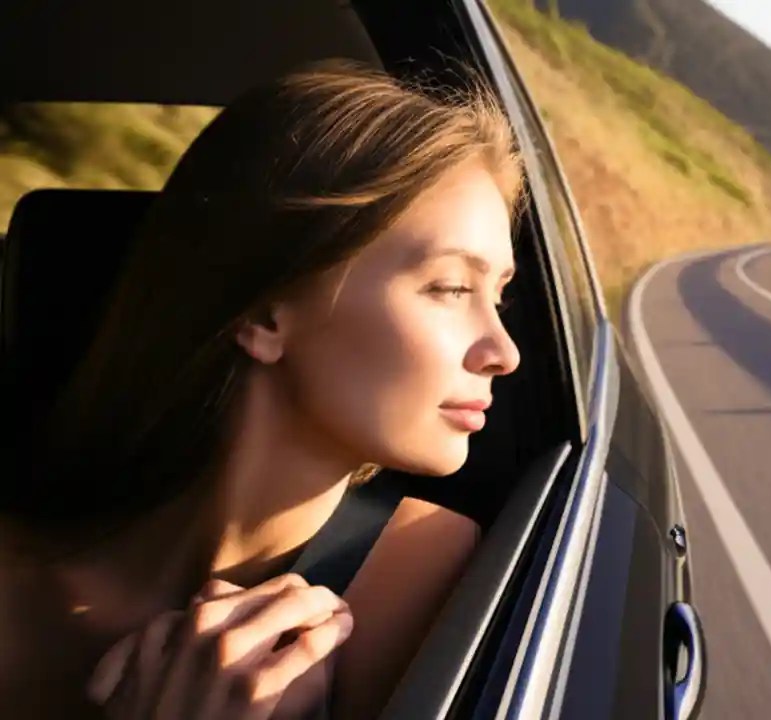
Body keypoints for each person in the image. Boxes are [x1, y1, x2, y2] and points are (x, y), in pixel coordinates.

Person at [0, 59, 524, 718]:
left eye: (498, 296)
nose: (503, 352)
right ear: (266, 313)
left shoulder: (433, 580)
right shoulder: (16, 593)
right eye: (451, 288)